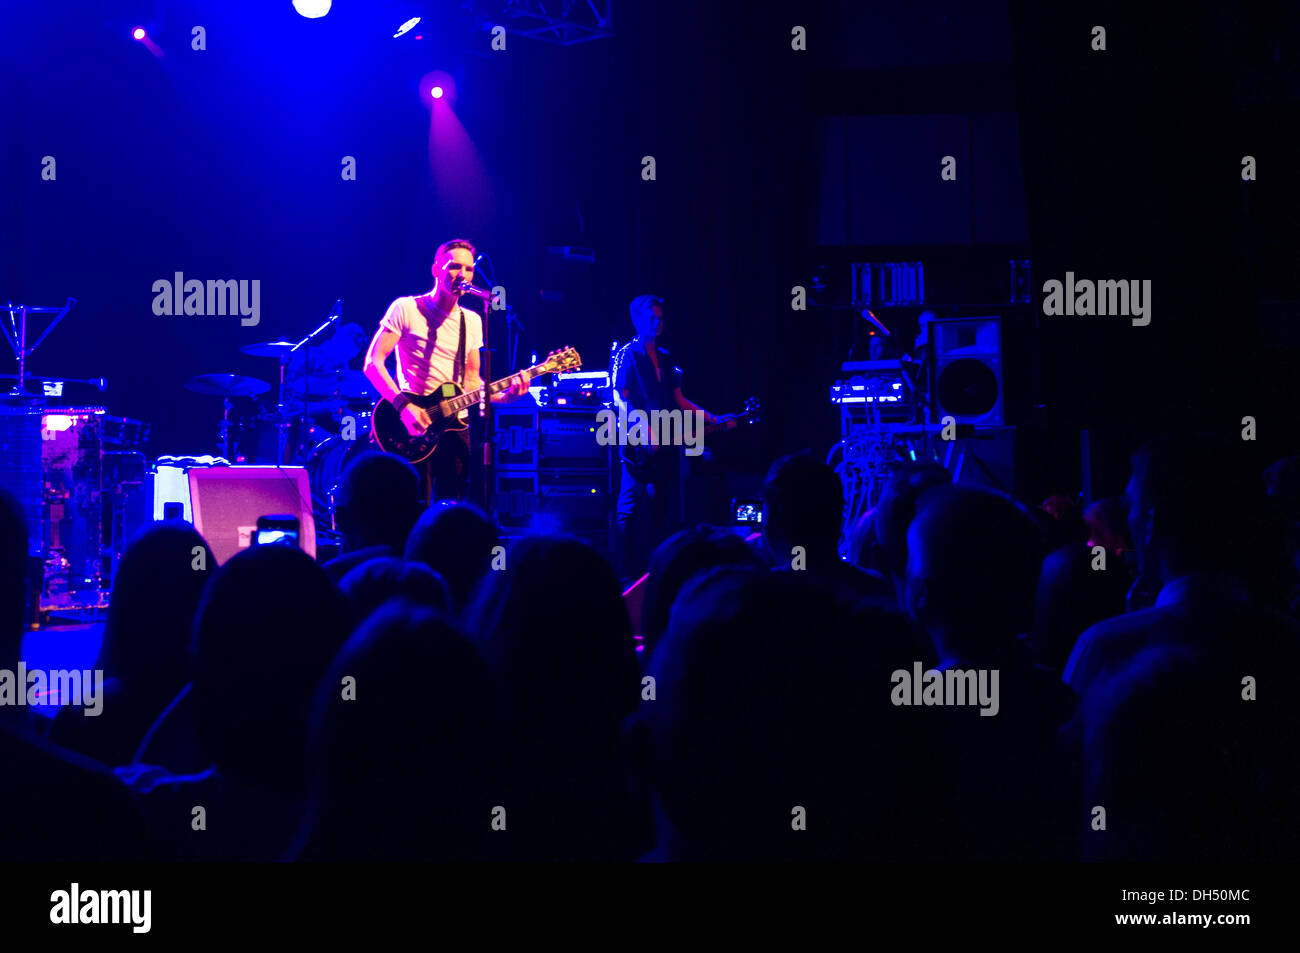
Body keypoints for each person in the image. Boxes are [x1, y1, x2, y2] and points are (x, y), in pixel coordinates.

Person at [363, 238, 528, 503]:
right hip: (414, 424)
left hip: (455, 427)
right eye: (454, 267)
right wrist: (404, 407)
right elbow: (373, 363)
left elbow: (472, 383)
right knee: (412, 508)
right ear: (436, 270)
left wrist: (505, 397)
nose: (462, 274)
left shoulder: (472, 321)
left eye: (469, 269)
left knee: (452, 511)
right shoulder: (406, 308)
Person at [612, 294, 719, 581]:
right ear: (636, 320)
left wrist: (712, 417)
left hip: (665, 441)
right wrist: (643, 429)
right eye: (651, 317)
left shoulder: (667, 357)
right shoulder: (627, 354)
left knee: (662, 508)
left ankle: (657, 573)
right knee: (630, 508)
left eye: (660, 317)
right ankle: (624, 576)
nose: (657, 322)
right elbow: (620, 399)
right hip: (638, 443)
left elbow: (679, 399)